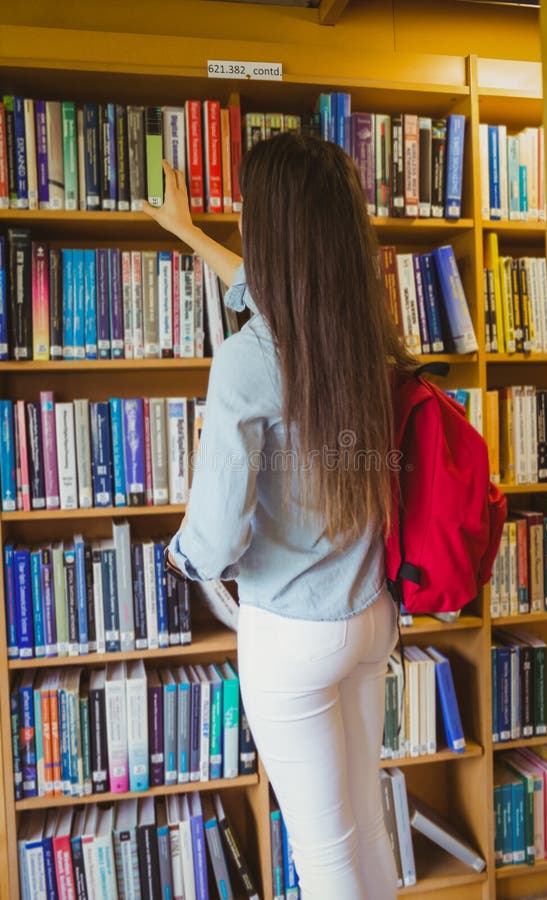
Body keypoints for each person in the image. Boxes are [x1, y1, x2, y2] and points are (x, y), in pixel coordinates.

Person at [142, 134, 418, 900]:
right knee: (367, 832)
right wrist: (187, 232)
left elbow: (215, 538)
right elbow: (263, 288)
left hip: (293, 637)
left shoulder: (248, 358)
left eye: (245, 209)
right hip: (371, 617)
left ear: (269, 230)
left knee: (325, 858)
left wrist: (179, 559)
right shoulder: (365, 334)